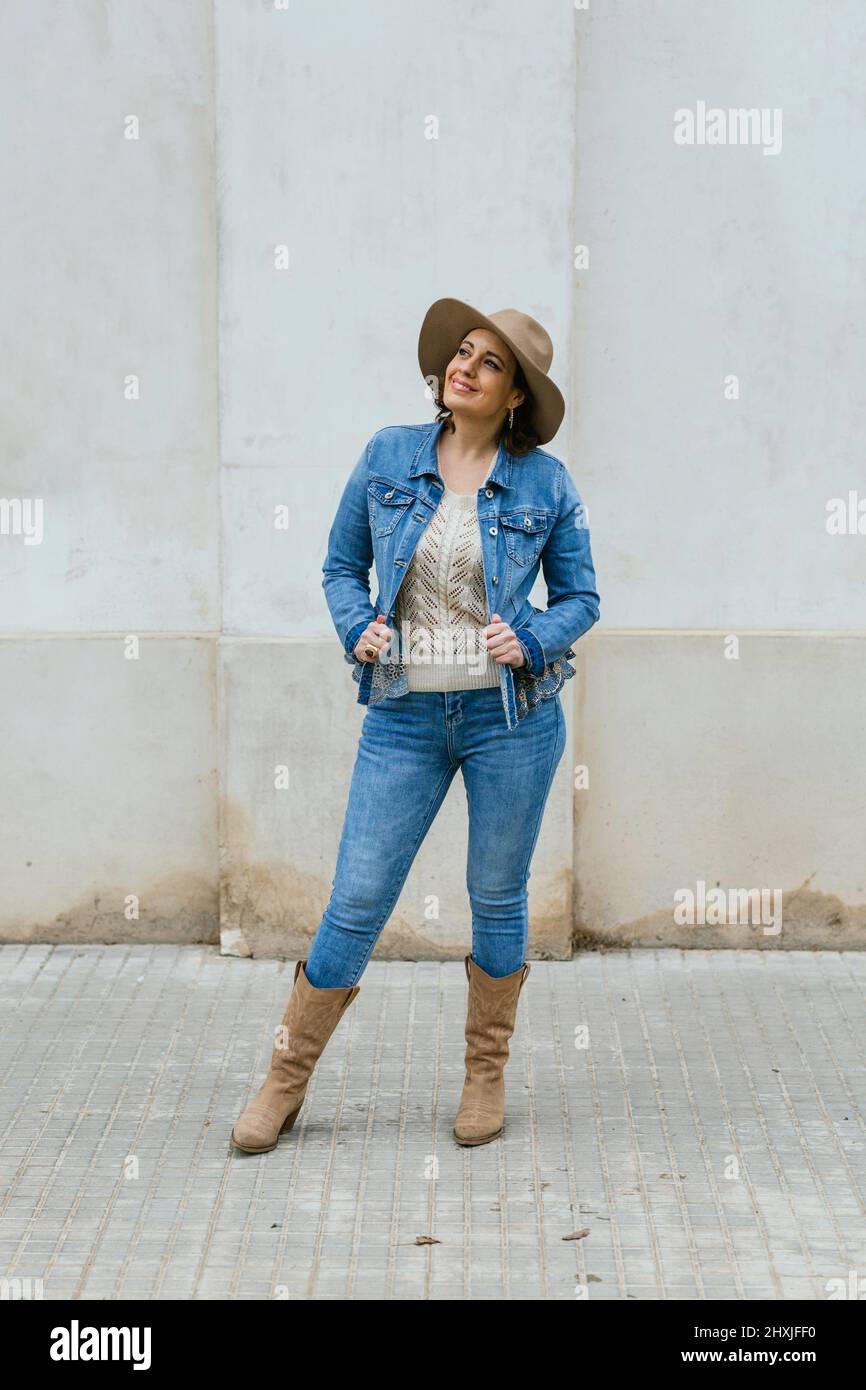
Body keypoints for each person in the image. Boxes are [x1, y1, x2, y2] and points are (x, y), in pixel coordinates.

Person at [232, 297, 600, 1154]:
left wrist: (536, 634)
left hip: (511, 720)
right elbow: (338, 566)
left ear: (515, 398)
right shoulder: (389, 454)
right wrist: (355, 623)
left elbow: (583, 596)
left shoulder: (546, 483)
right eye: (462, 353)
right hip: (403, 714)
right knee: (357, 899)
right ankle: (284, 1080)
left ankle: (484, 1073)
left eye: (490, 363)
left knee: (496, 900)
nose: (464, 366)